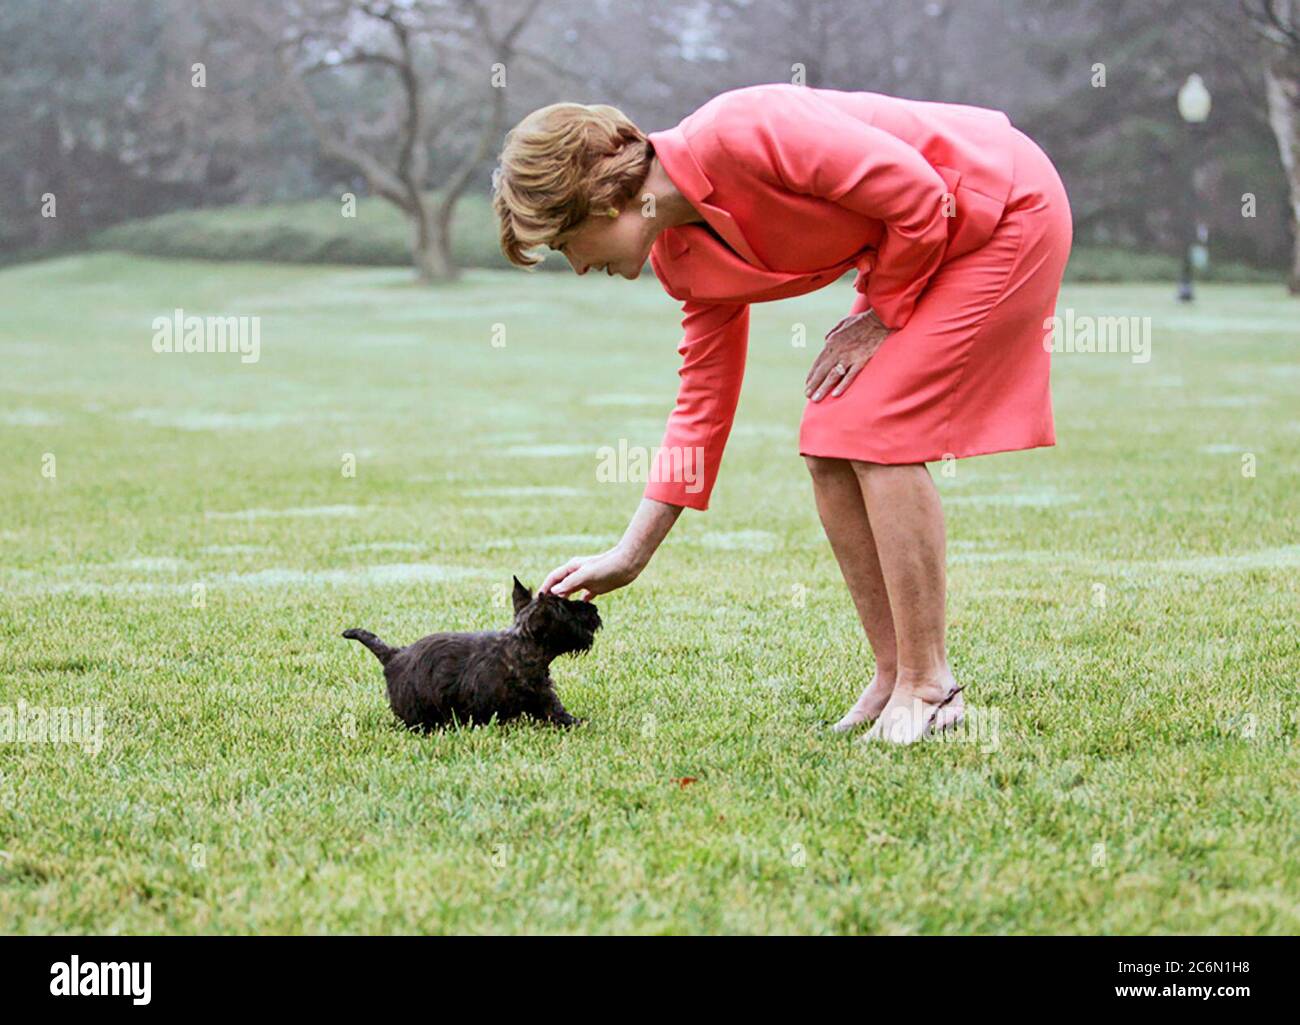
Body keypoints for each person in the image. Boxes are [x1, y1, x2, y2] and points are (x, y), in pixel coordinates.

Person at [491, 84, 1073, 743]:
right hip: (926, 243)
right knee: (829, 435)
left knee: (874, 426)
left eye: (566, 241)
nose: (576, 267)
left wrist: (881, 311)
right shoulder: (682, 259)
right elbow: (701, 407)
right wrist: (631, 553)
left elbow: (918, 193)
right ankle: (894, 675)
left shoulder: (740, 132)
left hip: (999, 210)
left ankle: (930, 686)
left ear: (600, 199)